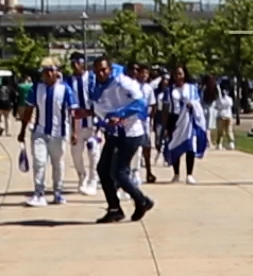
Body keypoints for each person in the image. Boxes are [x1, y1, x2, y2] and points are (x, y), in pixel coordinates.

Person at [90, 57, 155, 223]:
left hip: (131, 133)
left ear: (110, 69)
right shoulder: (98, 87)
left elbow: (140, 103)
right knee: (103, 169)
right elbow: (103, 110)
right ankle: (114, 209)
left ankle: (142, 200)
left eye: (104, 69)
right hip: (115, 134)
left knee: (118, 172)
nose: (101, 73)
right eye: (98, 71)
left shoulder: (122, 82)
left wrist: (121, 114)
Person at [22, 60, 74, 207]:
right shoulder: (36, 89)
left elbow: (73, 113)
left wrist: (74, 132)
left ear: (58, 72)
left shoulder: (65, 90)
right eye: (46, 71)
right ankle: (39, 193)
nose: (49, 74)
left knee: (57, 164)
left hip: (59, 133)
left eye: (52, 70)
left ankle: (58, 192)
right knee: (39, 162)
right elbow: (29, 110)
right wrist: (22, 130)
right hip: (39, 132)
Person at [161, 66, 208, 184]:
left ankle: (189, 174)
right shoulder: (170, 90)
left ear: (185, 75)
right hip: (175, 119)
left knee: (190, 146)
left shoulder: (192, 88)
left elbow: (197, 102)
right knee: (174, 145)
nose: (178, 76)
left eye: (180, 74)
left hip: (189, 119)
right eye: (176, 74)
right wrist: (165, 126)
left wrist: (193, 105)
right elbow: (166, 108)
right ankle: (176, 173)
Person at [65, 52, 100, 194]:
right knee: (76, 153)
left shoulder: (93, 78)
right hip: (76, 122)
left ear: (83, 63)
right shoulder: (68, 81)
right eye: (73, 63)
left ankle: (93, 179)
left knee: (94, 152)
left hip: (93, 122)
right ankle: (82, 175)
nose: (75, 66)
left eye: (78, 62)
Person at [204, 74, 237, 152]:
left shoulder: (221, 99)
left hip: (221, 116)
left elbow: (217, 105)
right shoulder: (229, 99)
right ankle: (229, 143)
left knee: (221, 131)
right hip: (228, 116)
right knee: (228, 131)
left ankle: (221, 144)